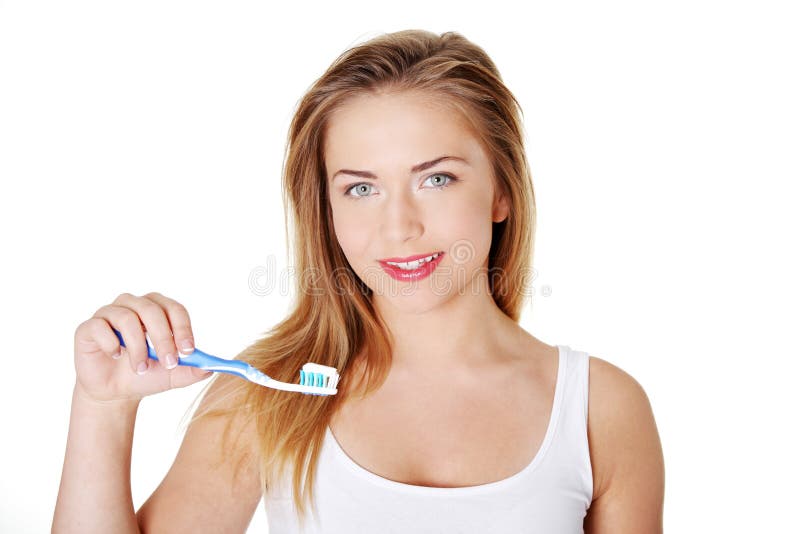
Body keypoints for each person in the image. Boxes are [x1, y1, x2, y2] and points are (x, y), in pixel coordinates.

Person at [52, 29, 664, 533]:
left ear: (501, 190)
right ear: (327, 208)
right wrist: (102, 406)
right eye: (361, 188)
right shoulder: (268, 395)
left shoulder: (599, 409)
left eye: (437, 178)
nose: (399, 226)